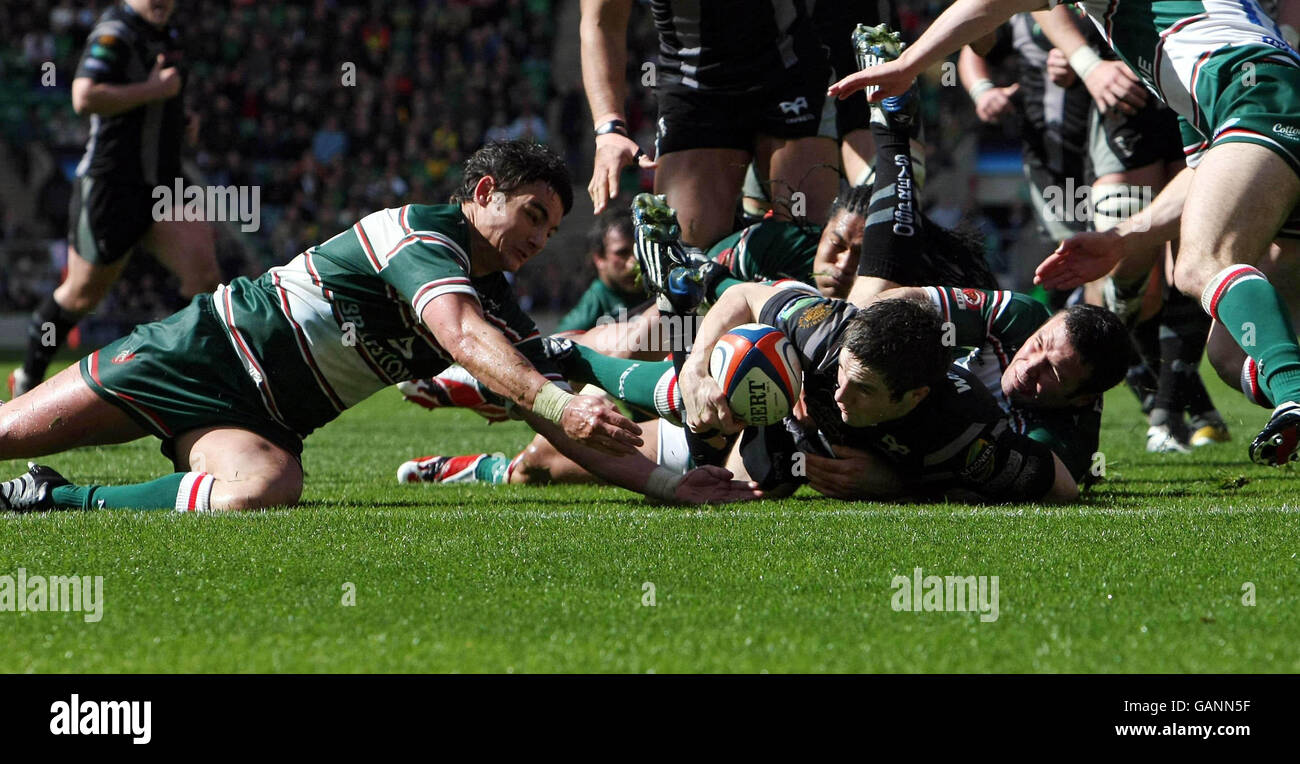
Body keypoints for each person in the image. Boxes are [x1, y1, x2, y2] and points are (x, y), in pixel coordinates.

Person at [0, 142, 761, 512]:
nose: (538, 238)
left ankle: (56, 498)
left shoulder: (497, 305)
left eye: (551, 228)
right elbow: (462, 339)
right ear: (486, 193)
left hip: (266, 422)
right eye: (532, 214)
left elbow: (544, 405)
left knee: (263, 491)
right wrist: (562, 400)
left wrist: (669, 484)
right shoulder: (415, 236)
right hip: (194, 355)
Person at [830, 0, 1300, 467]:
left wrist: (909, 63)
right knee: (1230, 351)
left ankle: (1294, 395)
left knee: (1200, 262)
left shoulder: (1197, 53)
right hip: (1269, 104)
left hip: (1258, 96)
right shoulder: (1189, 50)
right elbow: (1207, 175)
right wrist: (1121, 239)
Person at [10, 0, 219, 398]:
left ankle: (165, 375)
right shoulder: (114, 32)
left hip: (161, 184)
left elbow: (164, 97)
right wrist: (154, 90)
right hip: (112, 185)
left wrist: (181, 118)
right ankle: (27, 379)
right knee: (81, 294)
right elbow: (84, 96)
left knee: (204, 274)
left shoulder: (168, 33)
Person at [580, 0, 840, 249]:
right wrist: (608, 128)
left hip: (790, 72)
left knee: (810, 243)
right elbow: (601, 21)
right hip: (696, 87)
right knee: (684, 259)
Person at [554, 206, 645, 333]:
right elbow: (558, 342)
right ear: (599, 258)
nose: (633, 264)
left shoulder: (654, 291)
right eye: (622, 253)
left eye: (638, 252)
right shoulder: (594, 305)